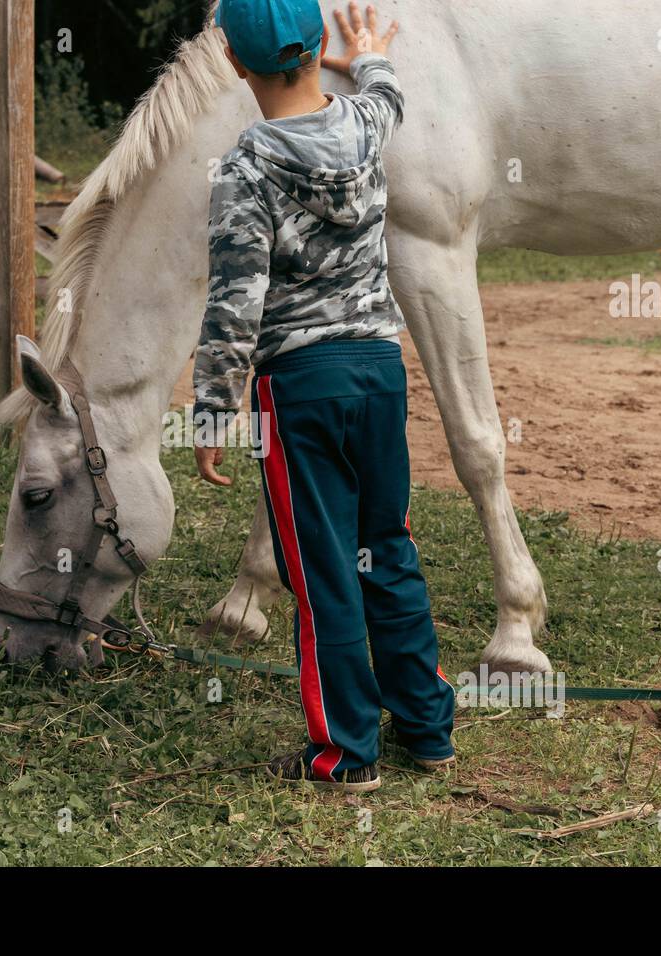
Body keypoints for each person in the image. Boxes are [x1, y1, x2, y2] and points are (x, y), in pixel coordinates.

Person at [192, 0, 457, 793]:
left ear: (236, 65)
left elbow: (234, 302)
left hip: (300, 386)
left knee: (322, 573)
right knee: (389, 548)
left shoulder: (244, 169)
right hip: (379, 372)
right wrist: (371, 52)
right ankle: (427, 729)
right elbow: (389, 95)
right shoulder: (366, 125)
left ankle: (346, 754)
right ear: (317, 53)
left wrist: (211, 408)